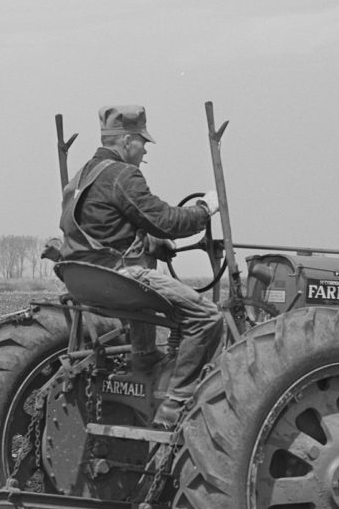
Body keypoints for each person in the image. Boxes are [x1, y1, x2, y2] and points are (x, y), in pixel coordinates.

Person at [58, 104, 224, 429]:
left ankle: (145, 360)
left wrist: (149, 242)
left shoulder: (82, 176)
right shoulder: (122, 174)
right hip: (116, 276)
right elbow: (166, 221)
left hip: (81, 275)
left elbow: (101, 225)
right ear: (126, 140)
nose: (145, 150)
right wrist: (205, 209)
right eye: (143, 142)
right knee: (207, 317)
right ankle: (175, 408)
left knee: (149, 288)